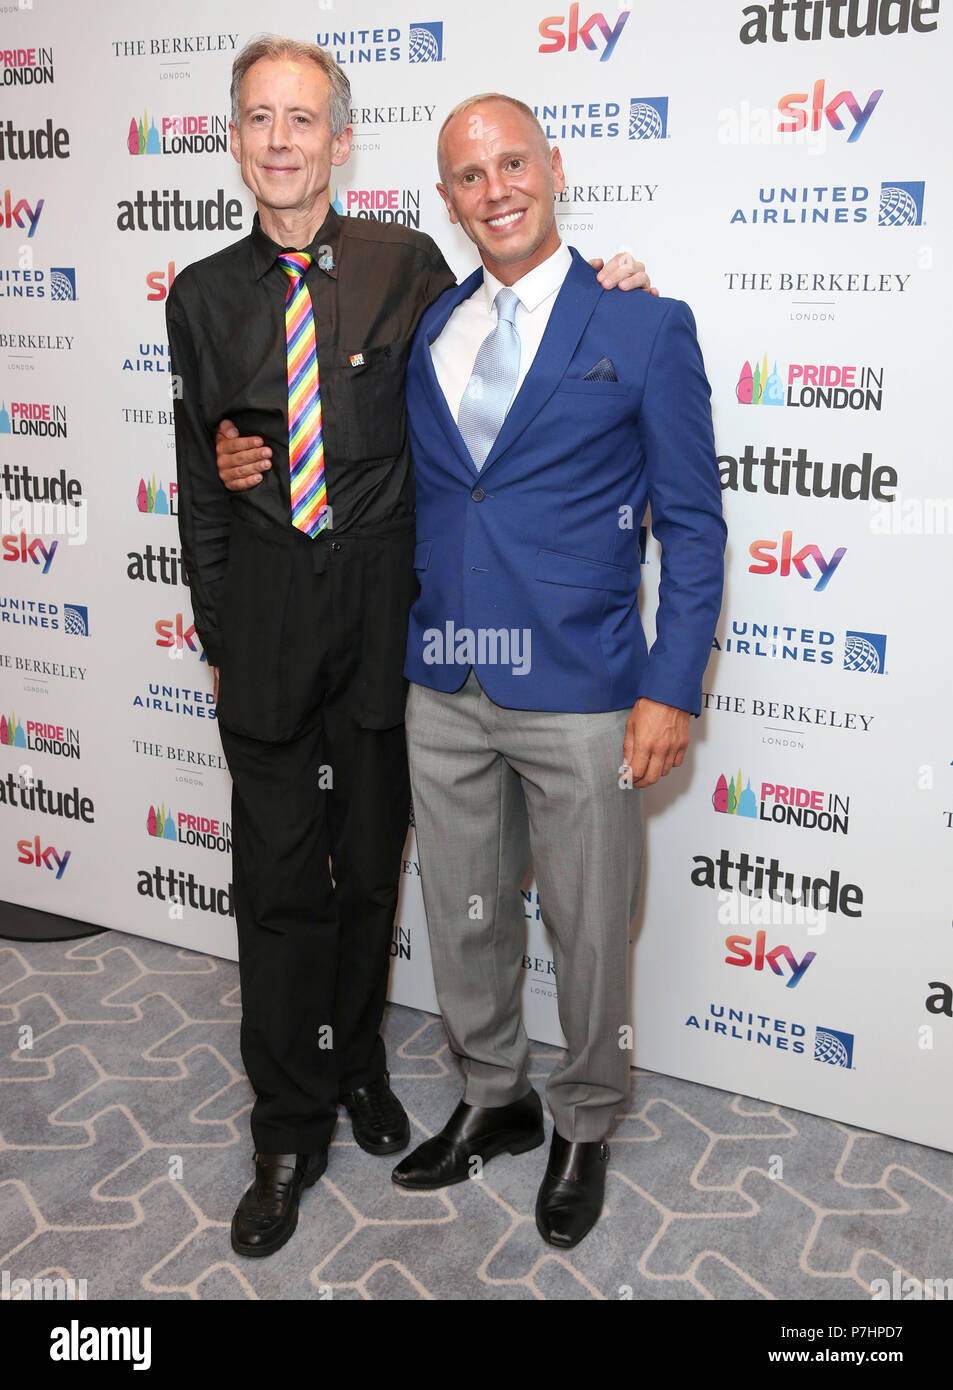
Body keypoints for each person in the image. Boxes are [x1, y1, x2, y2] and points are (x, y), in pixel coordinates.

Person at [171, 36, 650, 1260]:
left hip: (393, 635)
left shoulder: (409, 262)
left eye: (305, 120)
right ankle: (288, 1126)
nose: (281, 140)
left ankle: (358, 1067)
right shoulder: (203, 296)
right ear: (236, 141)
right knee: (279, 887)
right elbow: (198, 475)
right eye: (259, 119)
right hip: (272, 635)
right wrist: (219, 627)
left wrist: (618, 293)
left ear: (341, 144)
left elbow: (511, 340)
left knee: (374, 879)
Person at [388, 93, 726, 1249]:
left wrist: (670, 685)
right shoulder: (432, 325)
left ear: (553, 166)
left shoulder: (642, 324)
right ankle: (496, 1097)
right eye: (468, 176)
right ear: (447, 199)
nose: (494, 189)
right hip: (442, 680)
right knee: (461, 913)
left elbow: (691, 522)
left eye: (510, 162)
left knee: (587, 926)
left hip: (584, 689)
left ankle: (584, 1115)